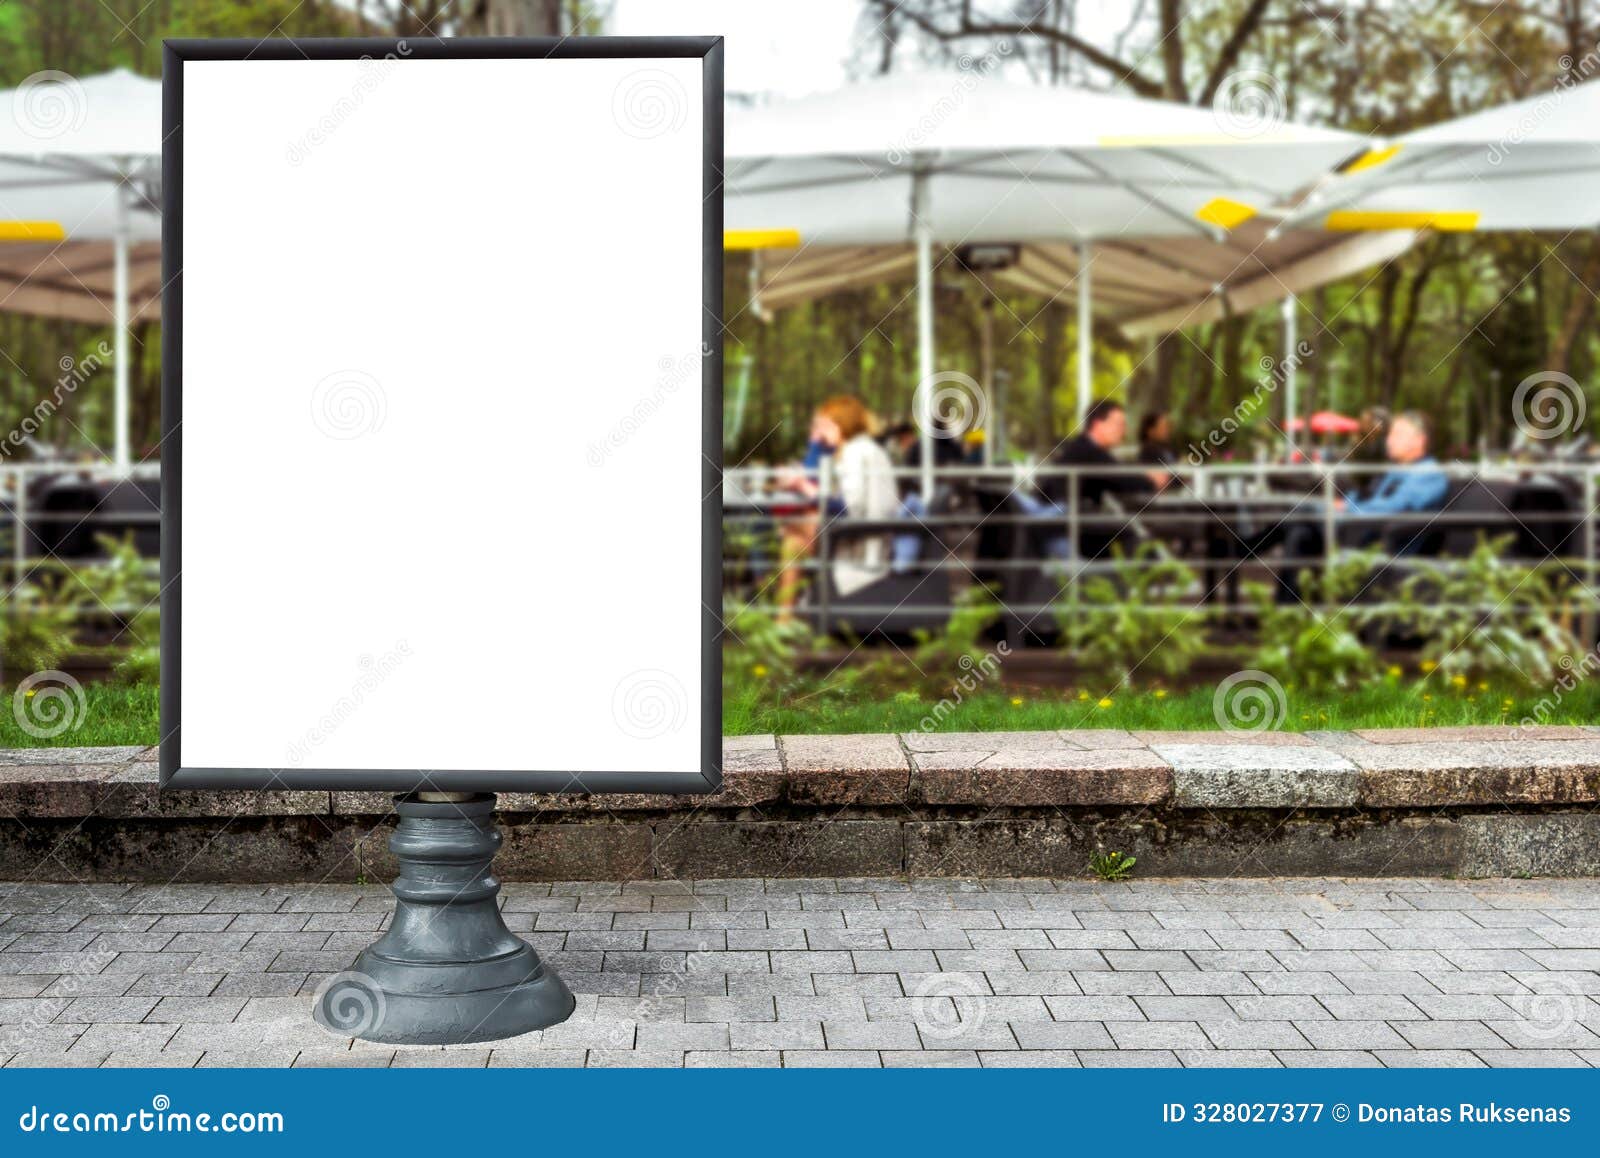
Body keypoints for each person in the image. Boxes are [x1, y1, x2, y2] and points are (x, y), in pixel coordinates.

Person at [1272, 410, 1448, 601]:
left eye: (1397, 434)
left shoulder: (1429, 475)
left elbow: (1393, 508)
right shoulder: (1397, 471)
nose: (1389, 440)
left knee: (1301, 512)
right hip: (1361, 530)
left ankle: (1250, 550)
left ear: (1419, 441)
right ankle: (1287, 609)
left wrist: (1348, 509)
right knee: (1300, 533)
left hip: (1382, 545)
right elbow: (1369, 495)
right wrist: (1347, 503)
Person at [775, 395, 899, 613]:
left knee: (786, 528)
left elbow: (847, 508)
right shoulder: (864, 448)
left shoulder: (855, 452)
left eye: (826, 425)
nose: (821, 432)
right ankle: (786, 616)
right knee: (792, 543)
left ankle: (783, 614)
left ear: (842, 424)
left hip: (861, 541)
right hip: (867, 535)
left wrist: (803, 486)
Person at [1042, 398, 1170, 558]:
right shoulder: (1087, 450)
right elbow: (1121, 478)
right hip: (1066, 523)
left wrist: (1146, 478)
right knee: (1129, 531)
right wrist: (1151, 480)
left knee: (1125, 529)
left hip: (1071, 520)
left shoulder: (1086, 447)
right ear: (1098, 424)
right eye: (1119, 425)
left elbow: (1118, 474)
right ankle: (1155, 570)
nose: (1123, 431)